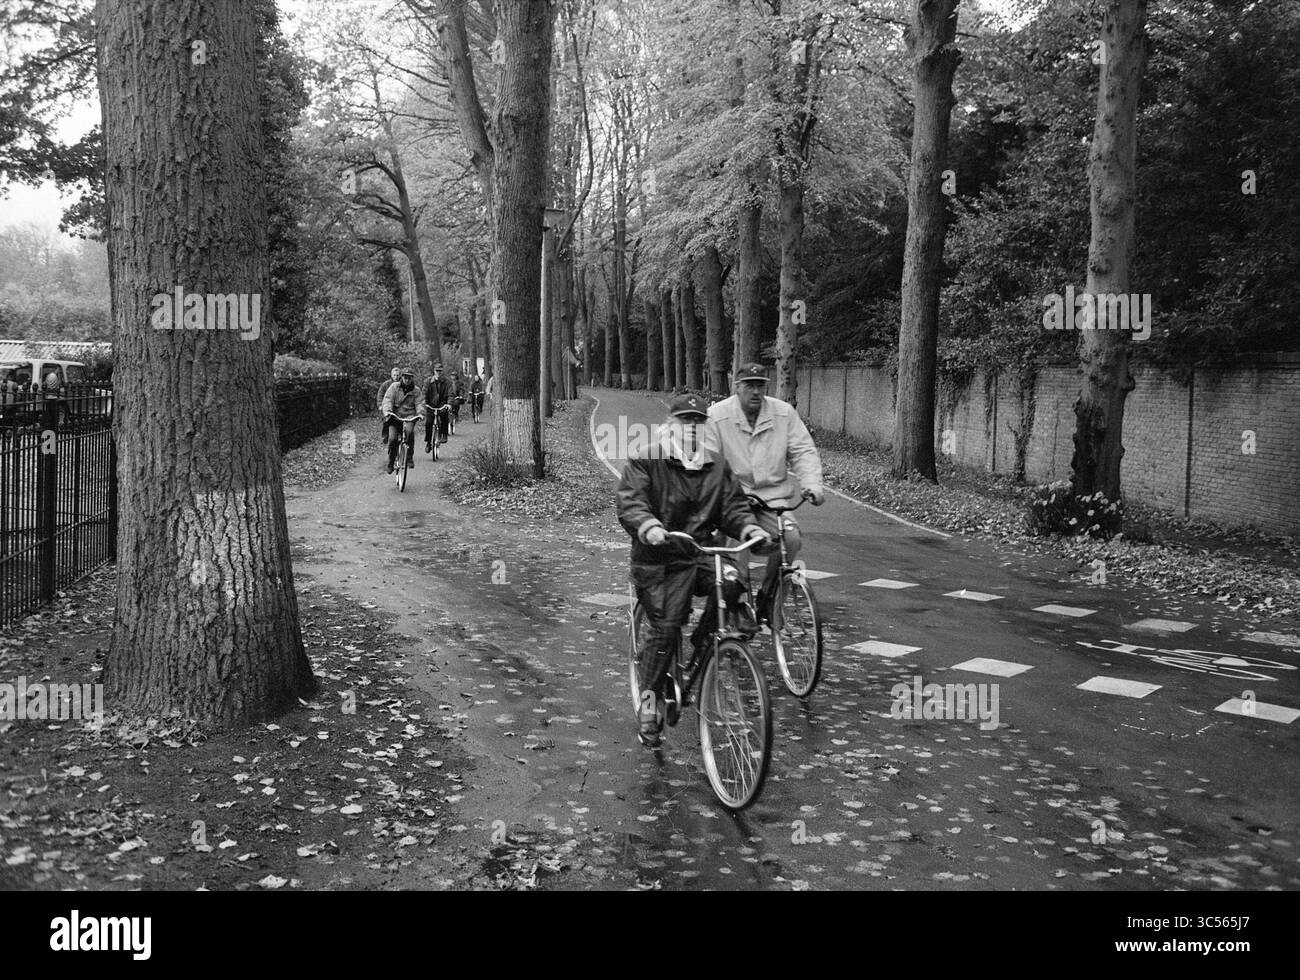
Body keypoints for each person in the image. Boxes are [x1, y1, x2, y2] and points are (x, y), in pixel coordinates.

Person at [616, 393, 771, 747]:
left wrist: (748, 528)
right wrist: (648, 525)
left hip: (700, 551)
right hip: (659, 558)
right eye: (685, 421)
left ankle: (707, 643)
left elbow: (732, 507)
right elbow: (631, 500)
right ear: (670, 425)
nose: (691, 428)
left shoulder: (715, 464)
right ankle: (650, 704)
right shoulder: (648, 457)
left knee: (732, 583)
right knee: (666, 626)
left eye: (698, 422)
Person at [707, 362, 825, 622]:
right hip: (733, 500)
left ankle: (770, 598)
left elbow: (802, 451)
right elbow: (708, 463)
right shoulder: (717, 416)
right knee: (737, 547)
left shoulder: (783, 413)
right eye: (749, 385)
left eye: (761, 385)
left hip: (773, 499)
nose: (756, 392)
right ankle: (736, 602)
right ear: (736, 387)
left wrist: (812, 485)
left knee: (791, 539)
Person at [381, 368, 426, 474]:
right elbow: (388, 399)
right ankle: (391, 462)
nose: (407, 379)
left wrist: (420, 413)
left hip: (410, 416)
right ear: (402, 377)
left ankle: (409, 457)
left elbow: (419, 403)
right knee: (392, 439)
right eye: (405, 377)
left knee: (409, 432)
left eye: (409, 377)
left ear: (412, 378)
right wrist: (387, 411)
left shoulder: (416, 390)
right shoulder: (394, 387)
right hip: (395, 416)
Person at [423, 363, 452, 452]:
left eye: (440, 371)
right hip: (430, 405)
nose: (438, 373)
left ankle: (444, 434)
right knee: (428, 422)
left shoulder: (447, 382)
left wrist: (449, 403)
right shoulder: (428, 381)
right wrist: (423, 402)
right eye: (437, 371)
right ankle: (428, 442)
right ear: (434, 371)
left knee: (444, 415)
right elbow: (423, 393)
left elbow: (451, 394)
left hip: (442, 404)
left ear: (442, 371)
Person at [377, 366, 400, 440]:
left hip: (399, 407)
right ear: (391, 375)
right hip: (387, 406)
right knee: (386, 420)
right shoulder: (386, 384)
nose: (396, 377)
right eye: (394, 375)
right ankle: (385, 435)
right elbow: (380, 395)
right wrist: (380, 405)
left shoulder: (402, 384)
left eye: (397, 375)